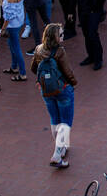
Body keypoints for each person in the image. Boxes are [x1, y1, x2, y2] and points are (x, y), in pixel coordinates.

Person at [32, 23, 78, 167]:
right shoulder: (60, 51)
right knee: (65, 122)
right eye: (61, 34)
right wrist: (73, 83)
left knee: (54, 119)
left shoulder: (39, 49)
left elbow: (34, 68)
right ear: (55, 37)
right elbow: (67, 71)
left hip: (45, 90)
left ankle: (61, 148)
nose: (63, 36)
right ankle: (57, 154)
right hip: (63, 89)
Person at [73, 0, 107, 71]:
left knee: (93, 34)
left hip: (94, 11)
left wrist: (97, 8)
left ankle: (98, 59)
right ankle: (90, 56)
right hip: (82, 11)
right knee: (86, 34)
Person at [0, 0, 28, 80]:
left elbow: (8, 17)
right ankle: (14, 67)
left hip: (12, 26)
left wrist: (3, 29)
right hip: (19, 23)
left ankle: (22, 73)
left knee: (16, 48)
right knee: (11, 44)